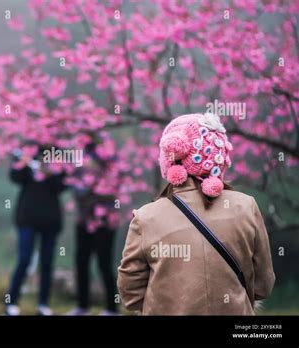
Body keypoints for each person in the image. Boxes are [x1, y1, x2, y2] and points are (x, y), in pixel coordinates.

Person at [117, 113, 275, 315]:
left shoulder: (146, 217)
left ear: (170, 158)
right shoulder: (246, 207)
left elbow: (130, 293)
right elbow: (264, 284)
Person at [5, 145, 66, 316]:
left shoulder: (58, 152)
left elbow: (63, 185)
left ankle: (43, 303)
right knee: (24, 259)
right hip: (28, 217)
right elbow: (14, 177)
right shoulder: (26, 149)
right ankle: (11, 302)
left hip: (50, 219)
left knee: (47, 263)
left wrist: (50, 174)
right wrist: (24, 164)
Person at [67, 144, 119, 316]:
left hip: (105, 219)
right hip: (84, 219)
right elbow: (75, 187)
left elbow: (114, 187)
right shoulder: (79, 156)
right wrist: (90, 190)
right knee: (81, 261)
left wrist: (91, 189)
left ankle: (112, 308)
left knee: (104, 262)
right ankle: (82, 306)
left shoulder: (110, 156)